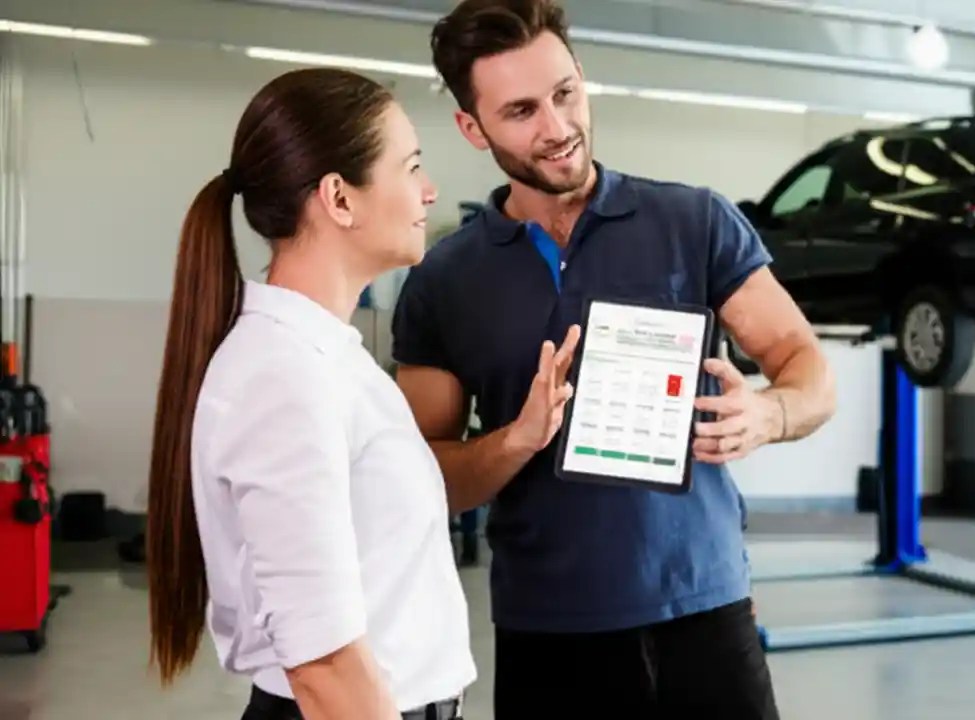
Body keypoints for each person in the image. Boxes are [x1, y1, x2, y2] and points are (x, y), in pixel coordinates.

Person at [391, 1, 836, 717]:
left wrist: (769, 412)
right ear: (472, 128)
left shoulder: (695, 223)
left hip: (706, 610)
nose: (558, 127)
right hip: (548, 633)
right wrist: (517, 440)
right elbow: (427, 478)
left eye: (566, 93)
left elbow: (805, 364)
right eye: (522, 111)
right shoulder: (444, 280)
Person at [145, 67, 475, 720]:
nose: (429, 191)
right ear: (339, 198)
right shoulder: (284, 375)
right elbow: (324, 667)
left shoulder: (323, 358)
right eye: (410, 167)